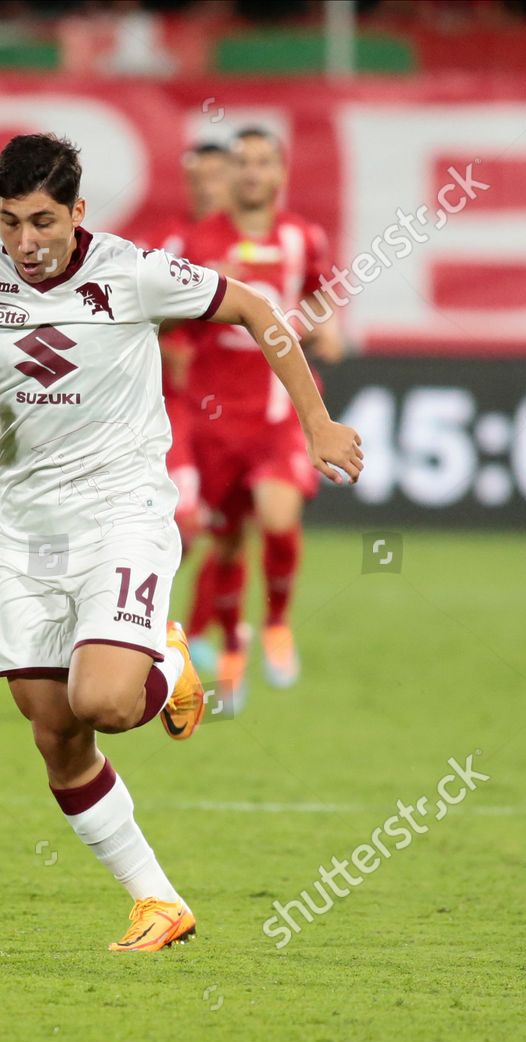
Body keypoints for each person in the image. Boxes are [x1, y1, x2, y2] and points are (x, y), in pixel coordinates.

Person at [0, 133, 363, 952]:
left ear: (78, 212)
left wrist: (317, 421)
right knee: (55, 731)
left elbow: (255, 308)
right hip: (23, 536)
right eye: (10, 221)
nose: (26, 241)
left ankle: (164, 660)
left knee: (105, 702)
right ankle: (158, 901)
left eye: (44, 221)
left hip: (122, 516)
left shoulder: (131, 271)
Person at [175, 127, 342, 708]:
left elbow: (319, 296)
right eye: (242, 162)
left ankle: (276, 621)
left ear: (280, 173)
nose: (251, 172)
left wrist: (326, 327)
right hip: (215, 420)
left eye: (263, 161)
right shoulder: (198, 242)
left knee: (278, 517)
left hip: (278, 413)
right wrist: (202, 301)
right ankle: (230, 650)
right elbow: (176, 327)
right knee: (225, 545)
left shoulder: (302, 237)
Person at [159, 144, 233, 557]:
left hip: (237, 405)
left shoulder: (260, 243)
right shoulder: (170, 244)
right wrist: (164, 346)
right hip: (179, 404)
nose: (205, 189)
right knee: (181, 525)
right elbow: (136, 312)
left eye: (216, 178)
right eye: (196, 179)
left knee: (232, 526)